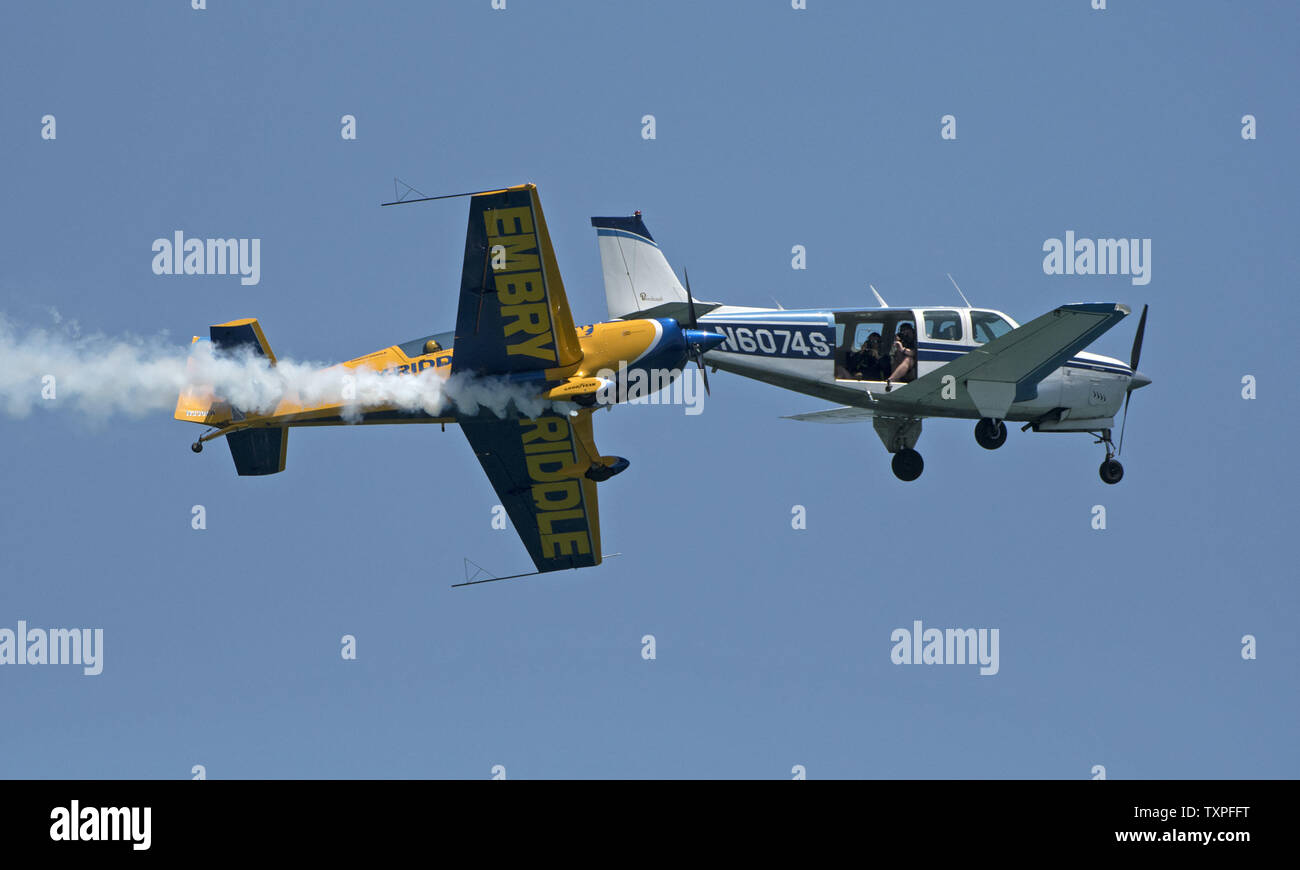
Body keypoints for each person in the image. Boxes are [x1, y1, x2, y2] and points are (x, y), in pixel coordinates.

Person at [885, 323, 916, 391]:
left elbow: (914, 353)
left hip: (914, 365)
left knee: (908, 359)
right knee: (895, 355)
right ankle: (895, 379)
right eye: (902, 330)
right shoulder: (903, 339)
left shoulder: (916, 339)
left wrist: (903, 349)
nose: (904, 332)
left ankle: (891, 380)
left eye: (906, 330)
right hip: (902, 364)